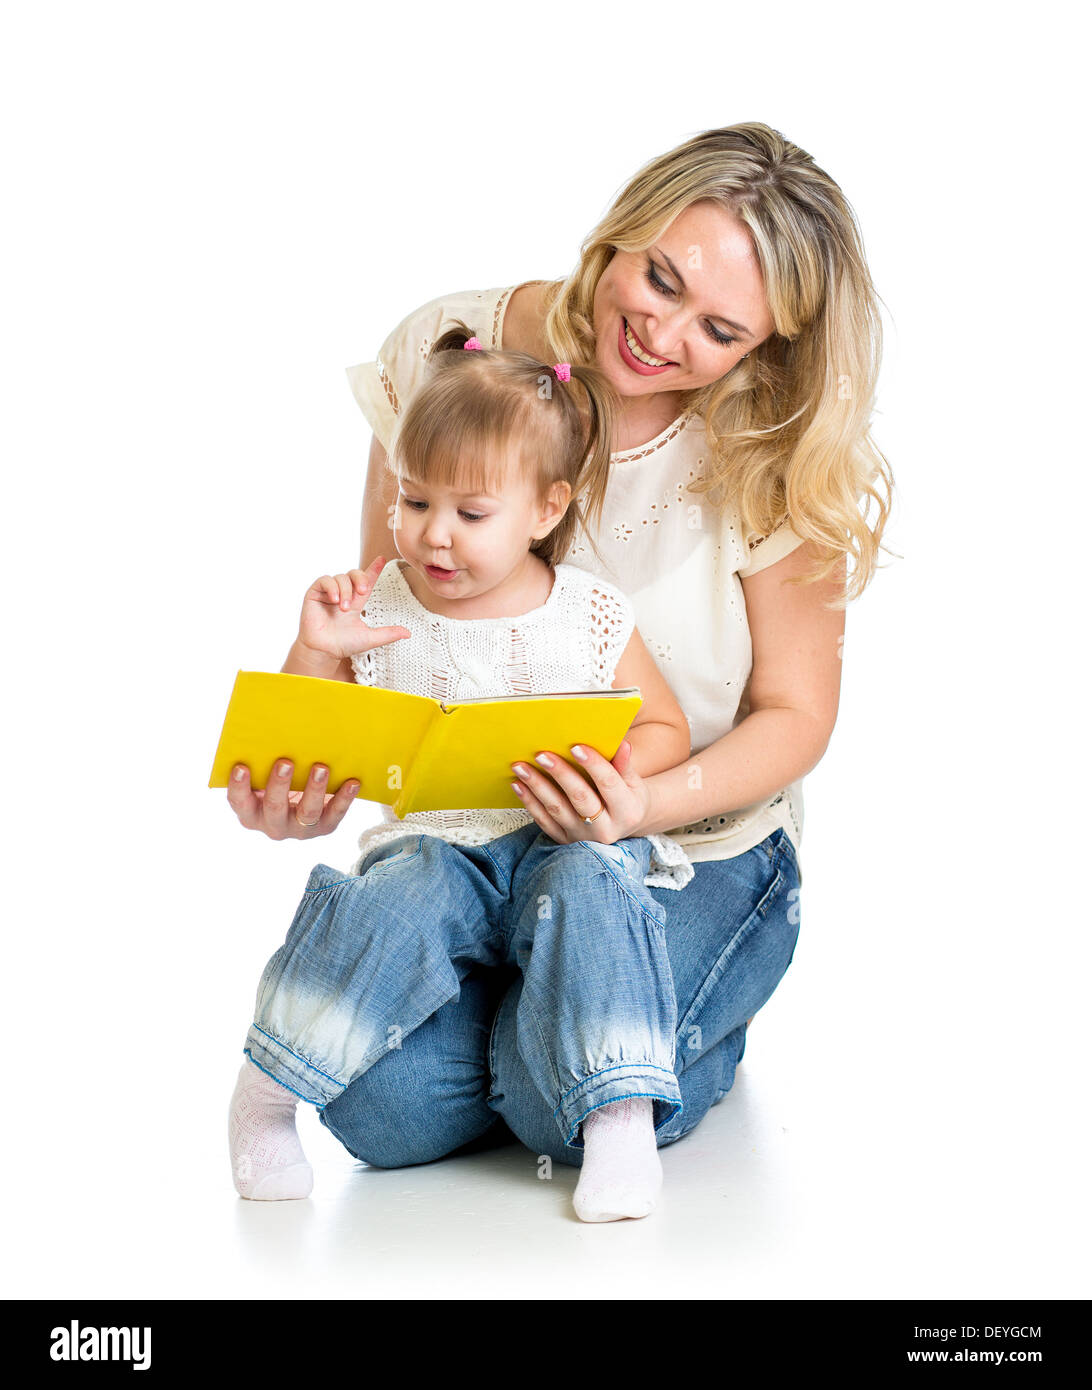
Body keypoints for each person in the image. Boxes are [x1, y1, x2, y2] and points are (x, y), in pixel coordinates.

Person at [226, 122, 893, 1219]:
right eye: (659, 276)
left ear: (766, 346)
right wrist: (310, 768)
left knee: (555, 1109)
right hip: (474, 836)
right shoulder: (454, 357)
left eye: (719, 327)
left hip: (690, 838)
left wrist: (642, 802)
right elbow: (394, 619)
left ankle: (625, 1026)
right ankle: (556, 1025)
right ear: (625, 227)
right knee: (383, 1110)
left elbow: (796, 712)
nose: (661, 331)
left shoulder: (777, 447)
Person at [229, 325, 700, 1222]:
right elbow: (300, 737)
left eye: (470, 514)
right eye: (414, 502)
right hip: (438, 848)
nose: (433, 536)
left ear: (546, 510)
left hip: (556, 838)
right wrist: (316, 648)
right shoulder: (381, 603)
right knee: (388, 902)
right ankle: (265, 1094)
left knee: (598, 885)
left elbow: (665, 724)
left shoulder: (591, 612)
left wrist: (616, 773)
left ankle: (619, 1118)